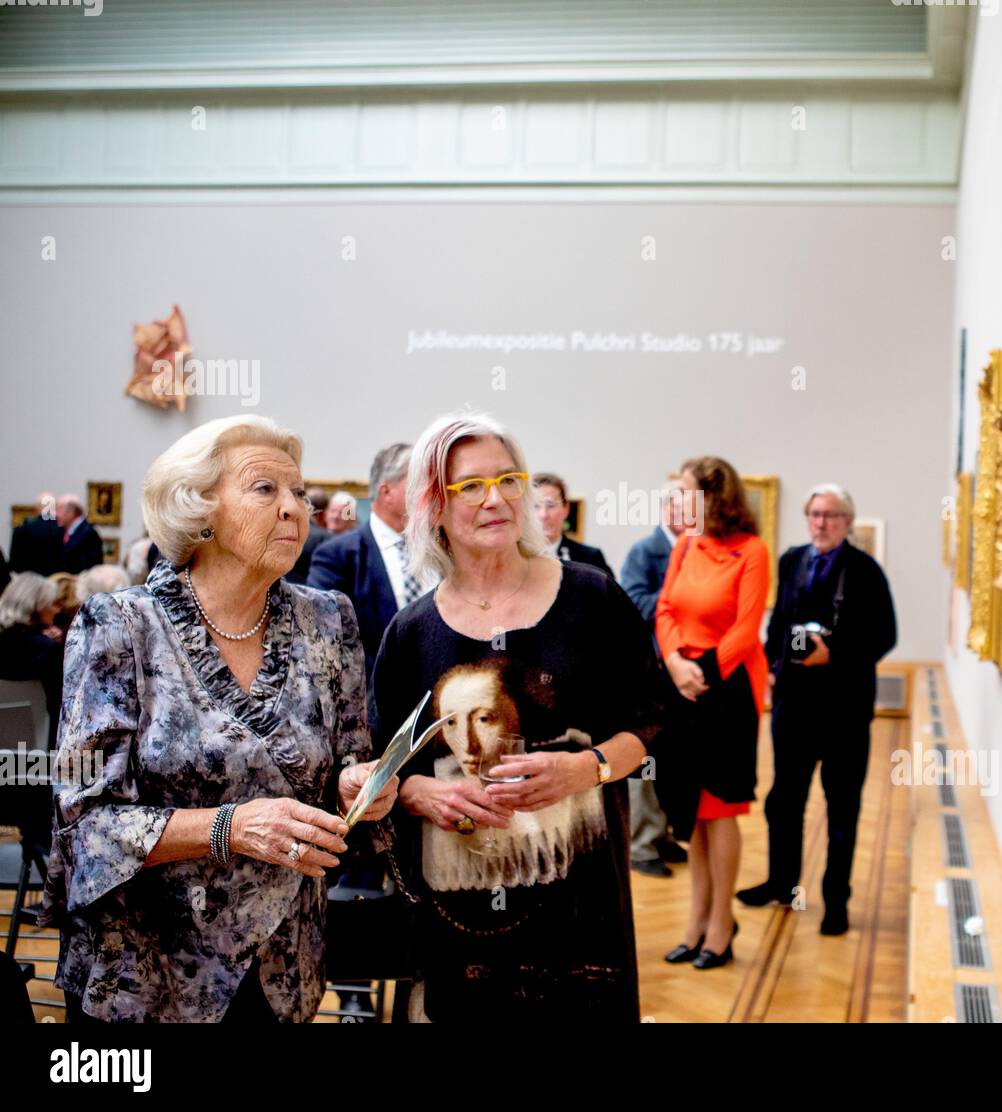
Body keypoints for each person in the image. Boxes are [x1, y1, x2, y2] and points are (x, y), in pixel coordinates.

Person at [38, 414, 397, 1022]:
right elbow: (86, 827)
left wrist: (357, 787)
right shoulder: (120, 626)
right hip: (146, 973)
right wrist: (229, 827)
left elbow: (348, 763)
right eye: (265, 489)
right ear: (198, 509)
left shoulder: (328, 620)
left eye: (300, 494)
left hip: (282, 970)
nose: (293, 509)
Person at [371, 411, 663, 1022]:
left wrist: (590, 767)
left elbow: (653, 719)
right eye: (470, 485)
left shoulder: (590, 598)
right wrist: (421, 792)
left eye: (509, 479)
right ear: (434, 504)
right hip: (454, 919)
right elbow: (375, 766)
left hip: (579, 910)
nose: (496, 498)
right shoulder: (412, 632)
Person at [738, 483, 897, 936]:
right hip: (793, 705)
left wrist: (835, 652)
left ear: (847, 521)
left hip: (844, 709)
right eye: (814, 514)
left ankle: (836, 903)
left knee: (841, 808)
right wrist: (772, 664)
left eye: (829, 515)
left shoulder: (865, 571)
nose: (820, 523)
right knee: (783, 801)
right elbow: (779, 621)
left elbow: (885, 635)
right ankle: (782, 884)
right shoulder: (792, 560)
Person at [655, 456, 768, 970]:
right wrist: (677, 662)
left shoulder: (752, 550)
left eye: (685, 491)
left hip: (729, 688)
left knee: (720, 809)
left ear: (713, 496)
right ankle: (696, 920)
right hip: (683, 682)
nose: (678, 500)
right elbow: (665, 610)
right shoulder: (684, 546)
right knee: (693, 811)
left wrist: (704, 674)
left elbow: (747, 629)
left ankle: (721, 924)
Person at [309, 443, 435, 680]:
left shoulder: (441, 549)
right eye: (418, 481)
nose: (429, 490)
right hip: (373, 702)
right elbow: (326, 639)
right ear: (386, 492)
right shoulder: (337, 556)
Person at [619, 480, 690, 878]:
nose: (687, 516)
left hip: (680, 674)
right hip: (648, 671)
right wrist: (681, 601)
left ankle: (661, 832)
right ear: (667, 510)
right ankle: (641, 844)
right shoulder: (645, 551)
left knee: (670, 760)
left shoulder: (695, 550)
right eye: (680, 508)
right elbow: (632, 600)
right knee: (643, 760)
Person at [0, 571, 65, 744]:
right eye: (53, 603)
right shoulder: (44, 649)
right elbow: (59, 704)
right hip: (37, 742)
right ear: (37, 606)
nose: (57, 609)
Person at [532, 472, 613, 575]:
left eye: (550, 505)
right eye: (536, 506)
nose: (543, 515)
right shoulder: (514, 556)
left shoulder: (590, 558)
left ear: (566, 509)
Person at [9, 493, 62, 576]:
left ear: (37, 509)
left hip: (30, 583)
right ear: (55, 508)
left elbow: (15, 565)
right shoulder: (64, 531)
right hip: (57, 584)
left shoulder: (21, 531)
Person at [55, 494, 103, 574]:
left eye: (59, 510)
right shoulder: (61, 531)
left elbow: (93, 568)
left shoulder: (89, 534)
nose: (56, 515)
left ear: (71, 512)